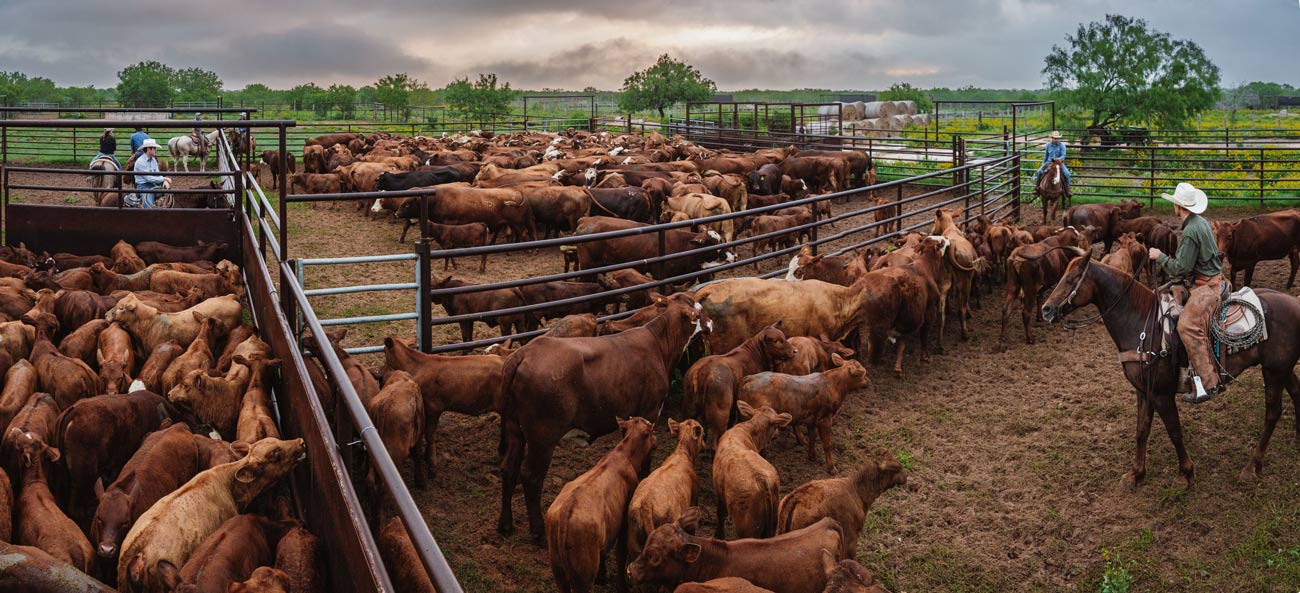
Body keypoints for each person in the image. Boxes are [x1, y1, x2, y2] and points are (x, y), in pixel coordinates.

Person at [1148, 182, 1226, 403]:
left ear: (1178, 207)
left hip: (1206, 287)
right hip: (1206, 279)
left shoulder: (1191, 230)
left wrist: (1159, 256)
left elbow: (1181, 267)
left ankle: (1210, 385)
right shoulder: (1199, 222)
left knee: (1186, 325)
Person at [132, 138, 171, 208]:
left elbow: (157, 174)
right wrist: (164, 179)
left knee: (169, 196)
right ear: (149, 149)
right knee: (149, 207)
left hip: (153, 185)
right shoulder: (140, 162)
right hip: (143, 186)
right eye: (154, 148)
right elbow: (148, 178)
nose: (156, 150)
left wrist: (164, 181)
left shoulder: (153, 160)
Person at [1034, 131, 1071, 197]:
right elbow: (1046, 155)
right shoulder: (1048, 145)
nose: (1056, 139)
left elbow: (1063, 155)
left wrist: (1057, 160)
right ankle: (1037, 188)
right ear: (1052, 138)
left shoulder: (1062, 146)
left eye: (1057, 138)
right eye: (1054, 138)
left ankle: (1067, 189)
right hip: (1048, 162)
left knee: (1067, 174)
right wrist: (1043, 164)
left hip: (1059, 164)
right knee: (1039, 171)